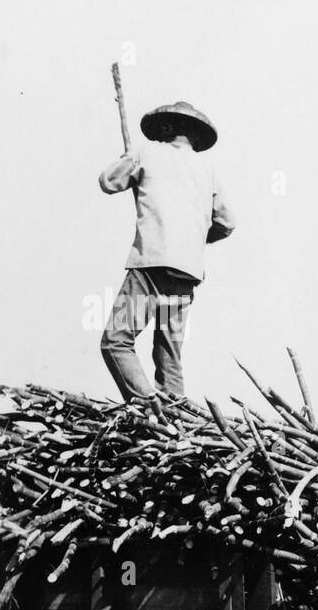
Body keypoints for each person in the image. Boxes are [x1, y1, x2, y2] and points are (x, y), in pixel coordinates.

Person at [99, 101, 235, 400]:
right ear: (195, 137)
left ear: (168, 128)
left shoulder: (146, 152)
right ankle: (176, 416)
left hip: (150, 264)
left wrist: (127, 159)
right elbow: (226, 223)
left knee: (115, 341)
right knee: (169, 355)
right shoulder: (208, 168)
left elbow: (109, 182)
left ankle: (149, 408)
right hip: (187, 272)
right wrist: (196, 237)